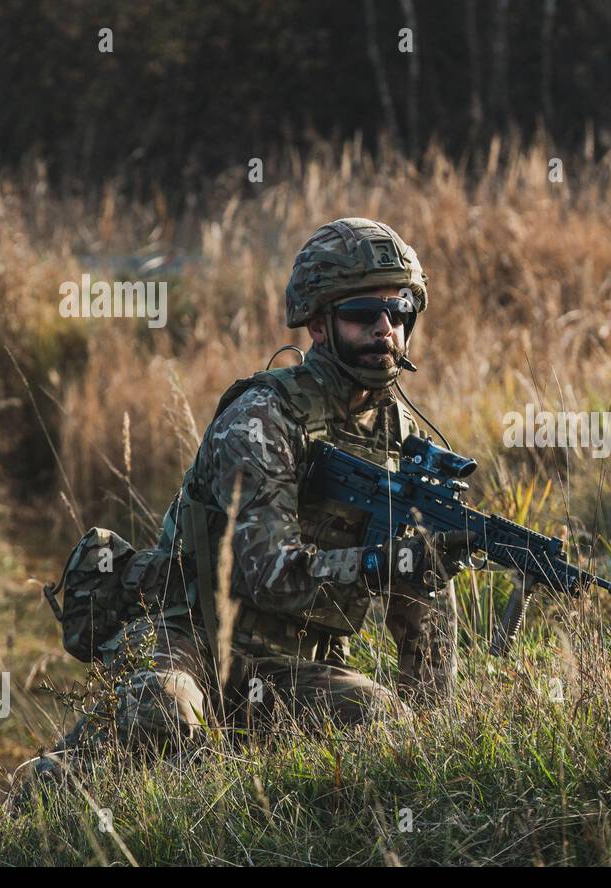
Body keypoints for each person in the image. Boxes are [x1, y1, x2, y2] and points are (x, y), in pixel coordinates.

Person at [26, 218, 474, 784]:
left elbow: (422, 604)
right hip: (188, 636)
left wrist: (431, 741)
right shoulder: (261, 419)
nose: (386, 328)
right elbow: (262, 572)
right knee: (158, 711)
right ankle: (52, 794)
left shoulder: (404, 438)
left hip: (290, 667)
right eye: (364, 313)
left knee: (385, 726)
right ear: (317, 321)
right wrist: (378, 566)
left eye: (401, 309)